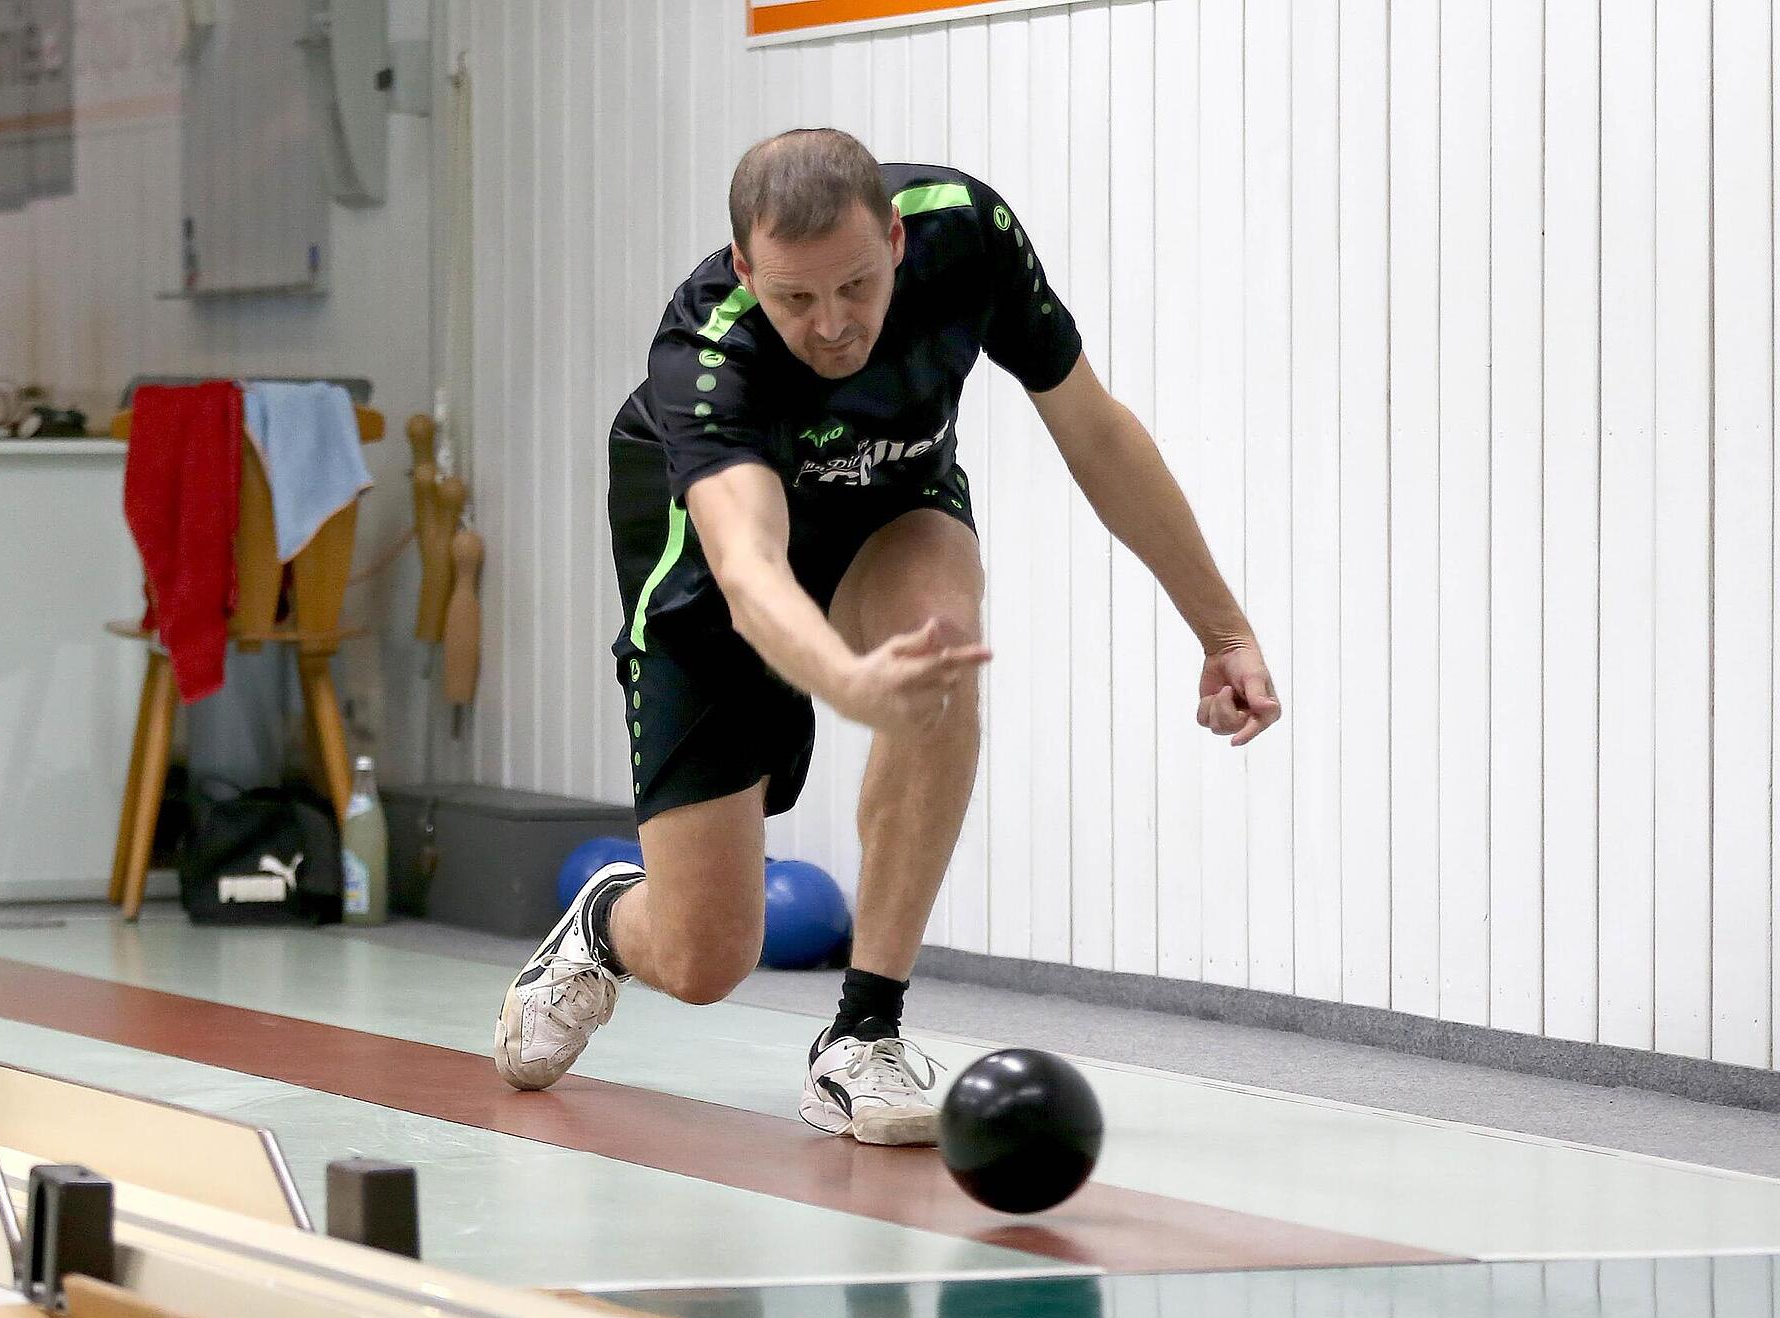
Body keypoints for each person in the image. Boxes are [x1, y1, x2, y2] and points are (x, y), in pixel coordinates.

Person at [494, 129, 1281, 1145]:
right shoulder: (707, 353)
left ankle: (864, 1031)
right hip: (707, 555)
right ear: (746, 273)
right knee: (704, 958)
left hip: (892, 501)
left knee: (940, 646)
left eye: (856, 286)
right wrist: (849, 684)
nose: (832, 325)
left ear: (896, 242)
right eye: (795, 298)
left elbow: (1094, 430)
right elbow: (750, 571)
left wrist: (1223, 629)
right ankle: (607, 919)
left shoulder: (967, 235)